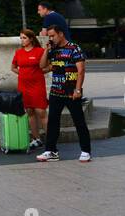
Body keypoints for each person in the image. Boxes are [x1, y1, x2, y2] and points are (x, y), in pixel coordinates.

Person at [34, 25, 91, 162]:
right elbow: (42, 66)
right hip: (56, 92)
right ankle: (51, 151)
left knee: (79, 122)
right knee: (53, 122)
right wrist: (46, 50)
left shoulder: (74, 48)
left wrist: (78, 89)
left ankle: (85, 151)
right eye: (49, 36)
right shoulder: (53, 49)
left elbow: (81, 70)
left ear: (61, 34)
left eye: (53, 35)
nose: (51, 38)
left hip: (71, 92)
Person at [11, 29, 48, 149]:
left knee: (41, 112)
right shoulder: (18, 52)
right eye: (21, 38)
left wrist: (40, 73)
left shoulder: (40, 51)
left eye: (24, 38)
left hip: (37, 85)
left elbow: (50, 66)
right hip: (23, 86)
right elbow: (13, 67)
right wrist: (22, 74)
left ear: (31, 39)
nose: (22, 40)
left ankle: (51, 139)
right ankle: (36, 139)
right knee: (30, 112)